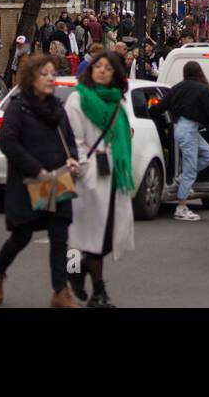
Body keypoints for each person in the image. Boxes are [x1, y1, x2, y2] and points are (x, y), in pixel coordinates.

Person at [0, 53, 83, 308]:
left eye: (53, 74)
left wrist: (72, 160)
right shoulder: (18, 107)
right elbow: (8, 142)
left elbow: (69, 141)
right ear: (31, 78)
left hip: (57, 178)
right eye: (44, 74)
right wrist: (35, 169)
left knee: (60, 234)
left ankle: (60, 291)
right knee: (22, 234)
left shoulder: (57, 108)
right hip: (30, 180)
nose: (50, 79)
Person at [64, 51, 136, 308]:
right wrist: (84, 168)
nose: (103, 70)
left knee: (108, 235)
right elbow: (74, 139)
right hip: (89, 175)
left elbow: (123, 139)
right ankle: (97, 291)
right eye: (98, 66)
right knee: (90, 235)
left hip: (114, 175)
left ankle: (79, 269)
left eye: (108, 67)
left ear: (116, 73)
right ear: (90, 70)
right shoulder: (78, 99)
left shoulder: (117, 102)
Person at [149, 61, 209, 221]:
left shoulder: (177, 88)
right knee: (191, 169)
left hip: (180, 127)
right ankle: (181, 207)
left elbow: (158, 108)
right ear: (199, 72)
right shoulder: (204, 90)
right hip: (190, 130)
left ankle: (181, 179)